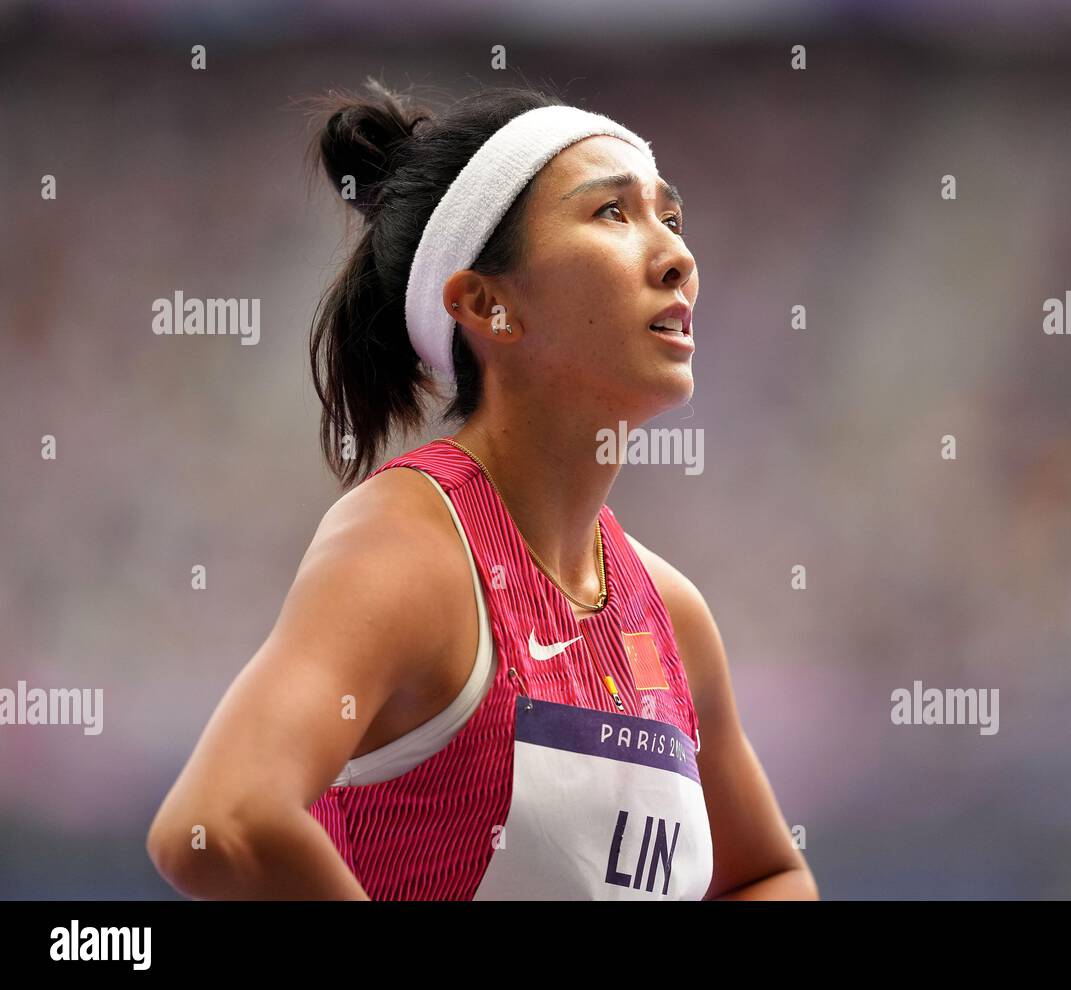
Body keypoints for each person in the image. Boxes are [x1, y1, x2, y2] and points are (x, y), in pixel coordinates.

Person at [146, 80, 817, 900]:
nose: (677, 256)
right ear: (486, 304)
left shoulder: (672, 617)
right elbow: (219, 826)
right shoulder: (410, 551)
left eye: (670, 218)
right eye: (612, 213)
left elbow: (771, 875)